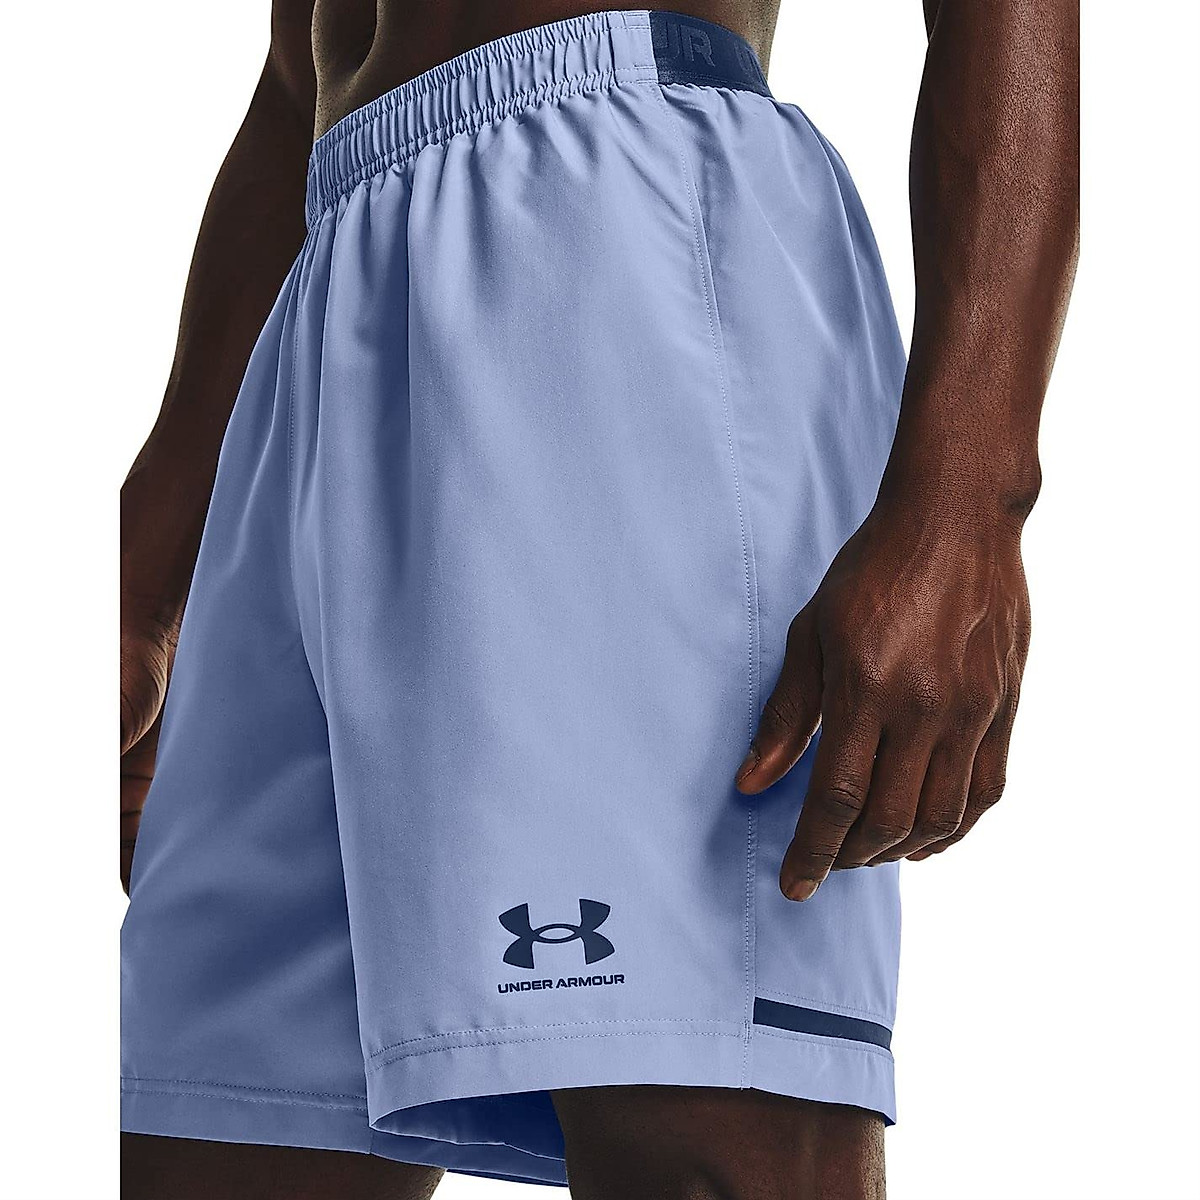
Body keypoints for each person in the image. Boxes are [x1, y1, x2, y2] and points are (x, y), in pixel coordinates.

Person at [119, 0, 1078, 1195]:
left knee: (707, 1145)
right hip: (328, 284)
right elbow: (292, 75)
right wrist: (145, 572)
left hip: (610, 220)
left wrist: (970, 501)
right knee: (224, 1136)